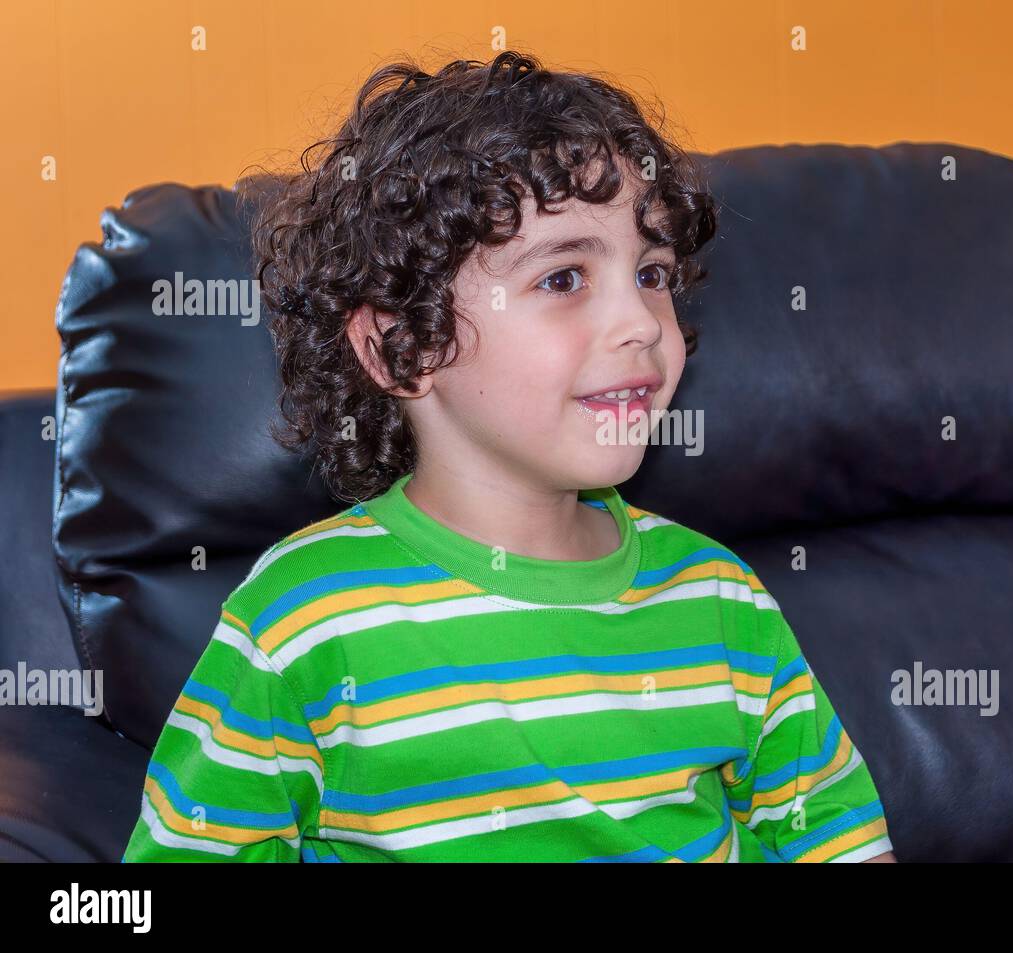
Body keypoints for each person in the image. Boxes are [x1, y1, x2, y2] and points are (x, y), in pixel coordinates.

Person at [122, 49, 895, 863]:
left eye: (654, 271)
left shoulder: (721, 599)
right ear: (399, 347)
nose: (641, 322)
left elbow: (840, 845)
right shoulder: (305, 618)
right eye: (564, 278)